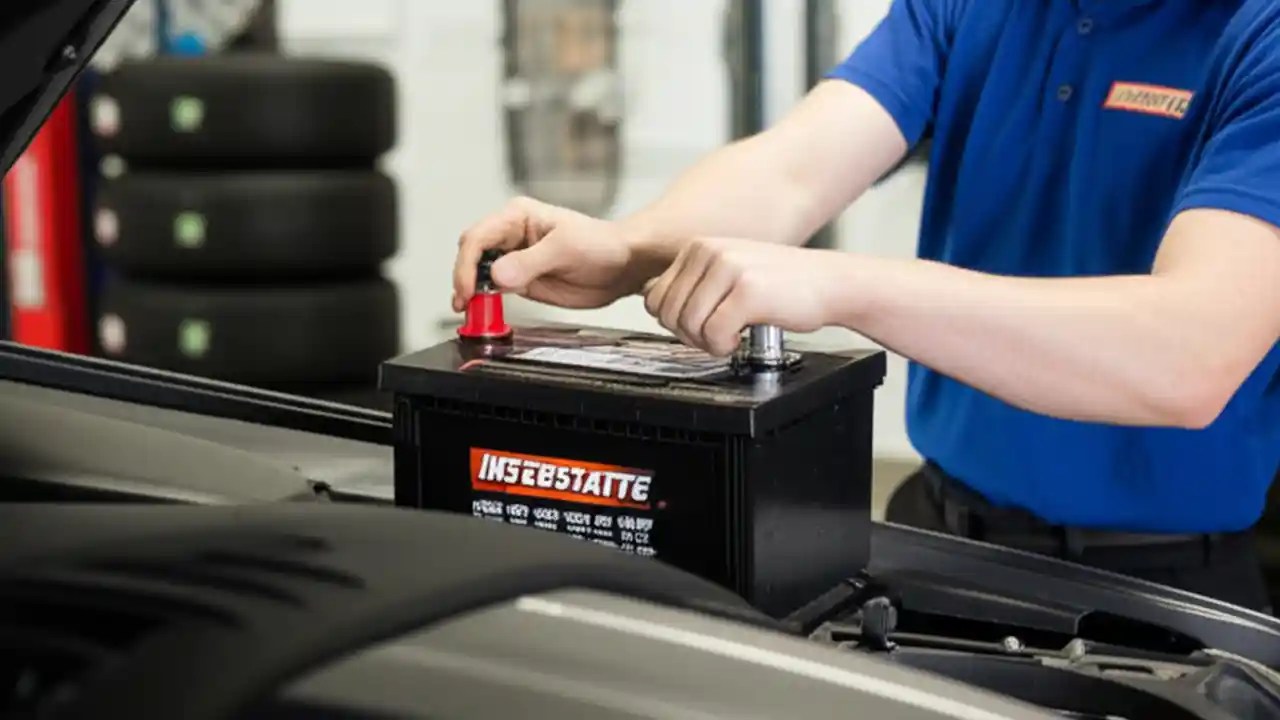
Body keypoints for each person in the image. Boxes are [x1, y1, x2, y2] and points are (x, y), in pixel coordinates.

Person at [452, 0, 1280, 612]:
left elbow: (1188, 354)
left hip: (1163, 589)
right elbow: (794, 170)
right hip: (933, 535)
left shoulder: (1259, 31)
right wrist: (629, 248)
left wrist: (840, 285)